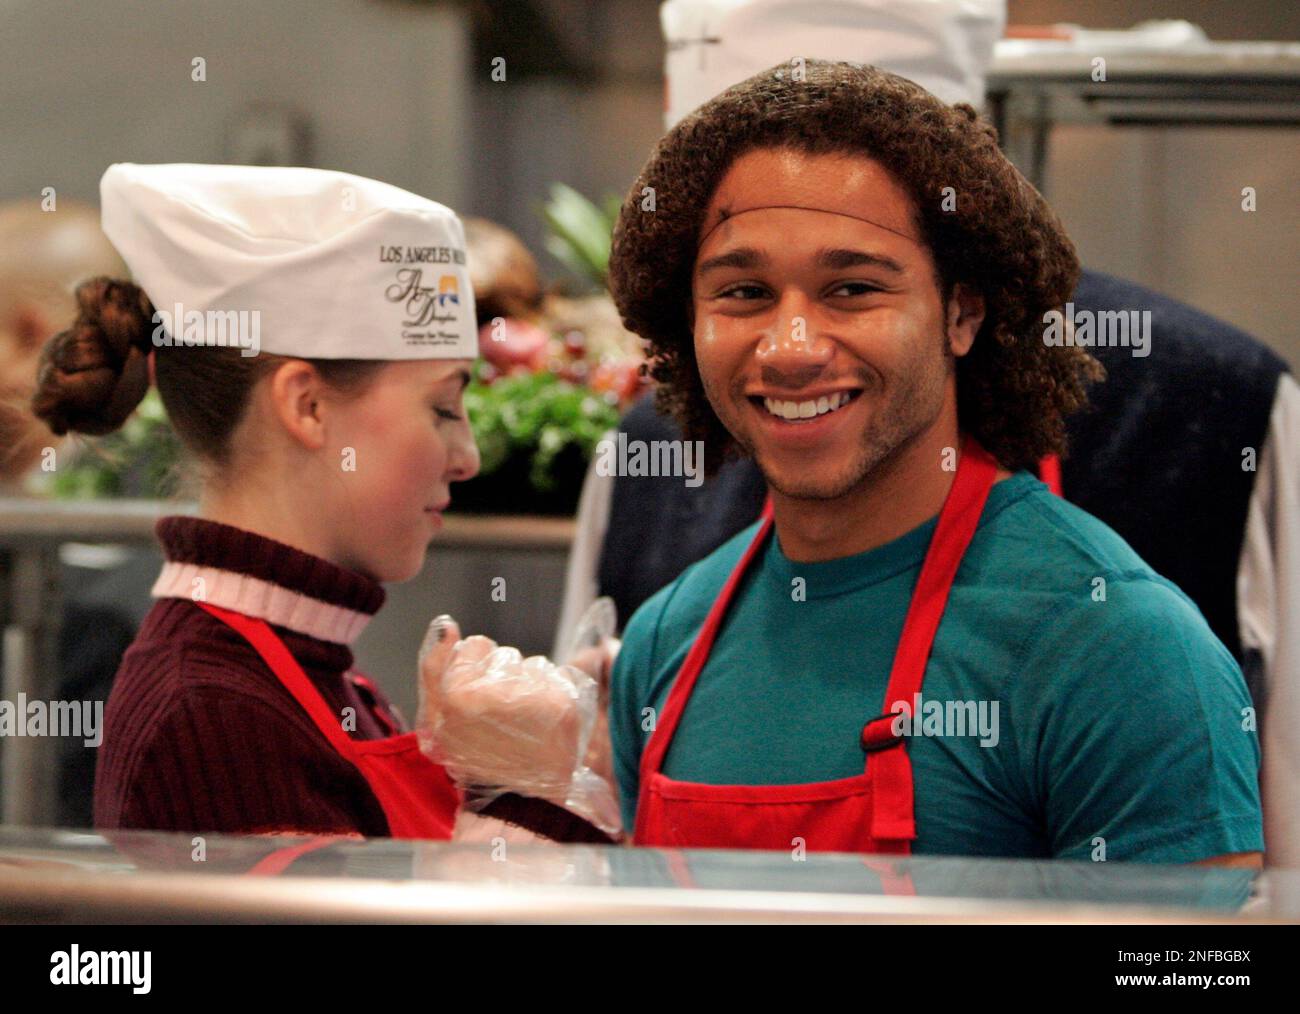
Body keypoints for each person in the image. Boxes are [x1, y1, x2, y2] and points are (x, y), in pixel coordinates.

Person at [558, 0, 1296, 865]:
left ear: (962, 312)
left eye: (854, 289)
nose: (791, 349)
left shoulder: (1121, 649)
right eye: (744, 293)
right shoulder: (663, 643)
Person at [30, 163, 612, 841]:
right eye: (445, 406)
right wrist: (525, 797)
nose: (468, 456)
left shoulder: (311, 663)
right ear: (307, 406)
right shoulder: (208, 713)